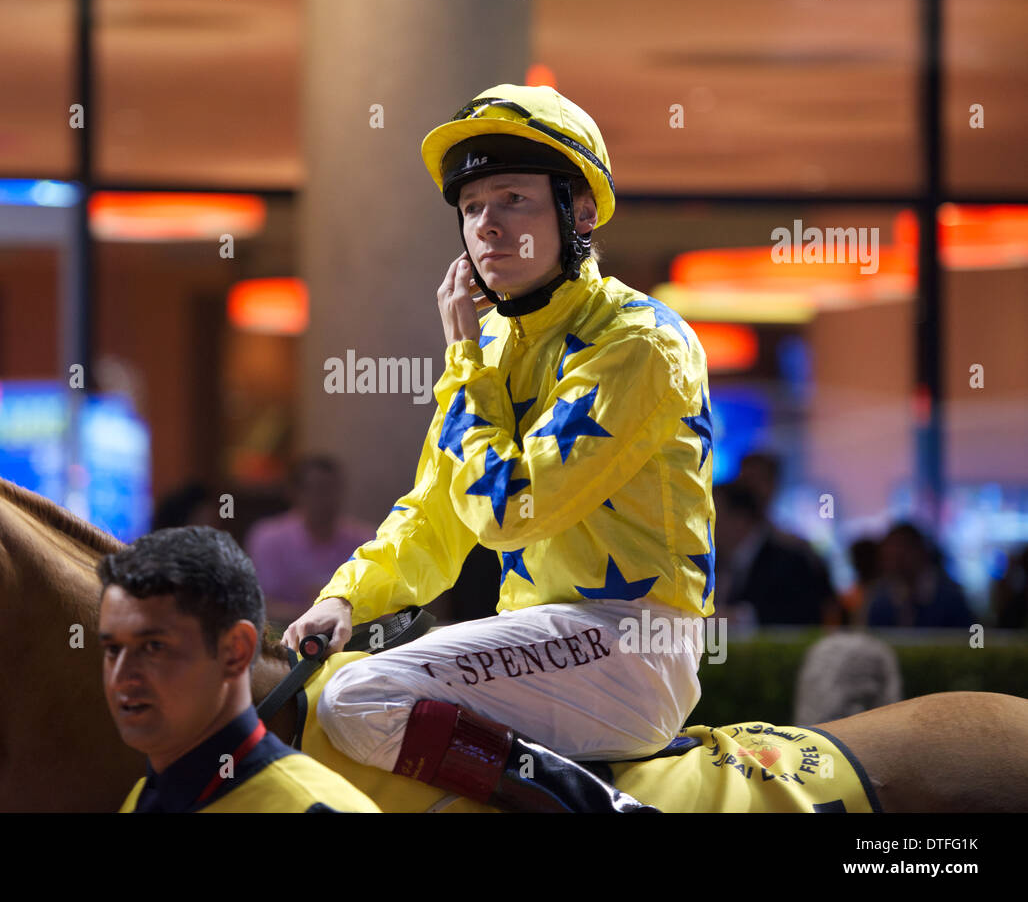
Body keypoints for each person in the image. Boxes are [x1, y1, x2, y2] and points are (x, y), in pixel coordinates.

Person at [283, 83, 714, 812]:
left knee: (360, 697)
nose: (487, 225)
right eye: (473, 206)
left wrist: (461, 360)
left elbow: (508, 509)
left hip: (633, 646)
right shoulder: (493, 350)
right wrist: (346, 596)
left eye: (514, 199)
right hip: (544, 637)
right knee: (321, 688)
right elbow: (435, 513)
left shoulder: (639, 341)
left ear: (579, 212)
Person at [100, 526, 379, 812]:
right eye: (112, 650)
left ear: (236, 651)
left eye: (153, 647)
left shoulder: (320, 807)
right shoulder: (139, 801)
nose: (121, 678)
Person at [245, 457, 373, 625]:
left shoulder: (365, 540)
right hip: (282, 636)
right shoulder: (267, 538)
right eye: (318, 489)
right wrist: (319, 612)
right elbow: (257, 603)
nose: (326, 498)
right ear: (295, 493)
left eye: (332, 489)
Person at [714, 481, 838, 626]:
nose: (704, 525)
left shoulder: (790, 562)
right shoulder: (721, 563)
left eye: (712, 516)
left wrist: (736, 618)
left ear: (740, 519)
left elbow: (800, 616)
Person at [865, 522, 975, 629]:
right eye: (889, 556)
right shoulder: (881, 598)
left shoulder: (949, 597)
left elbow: (965, 639)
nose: (895, 561)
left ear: (920, 551)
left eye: (900, 554)